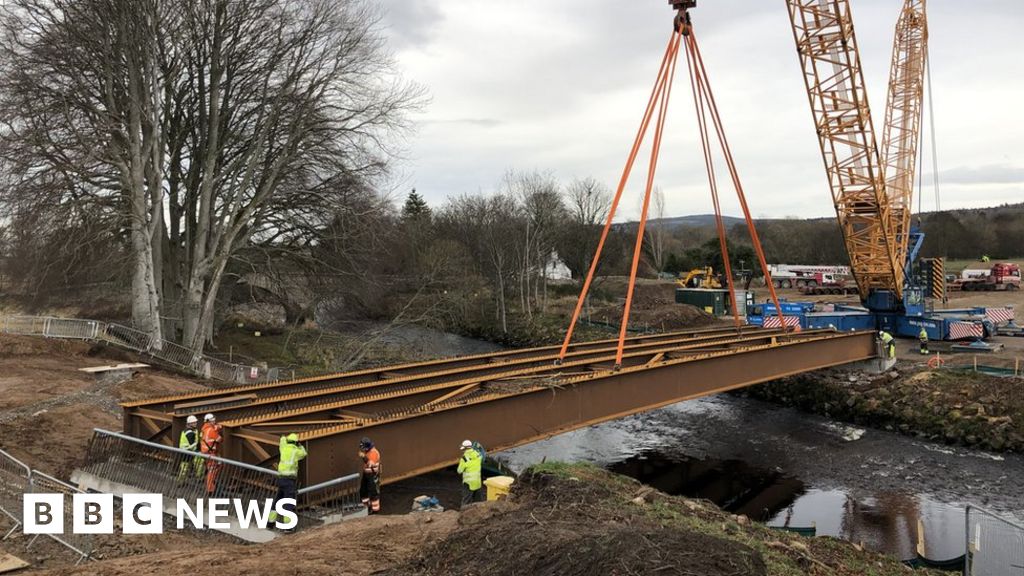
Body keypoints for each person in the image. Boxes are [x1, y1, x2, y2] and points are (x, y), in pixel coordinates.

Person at [269, 433, 307, 529]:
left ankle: (270, 523)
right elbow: (304, 453)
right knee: (288, 503)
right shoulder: (296, 451)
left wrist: (284, 437)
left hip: (281, 479)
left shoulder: (284, 448)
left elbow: (282, 440)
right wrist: (300, 445)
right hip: (289, 480)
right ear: (295, 442)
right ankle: (288, 526)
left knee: (277, 501)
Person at [200, 413, 223, 495]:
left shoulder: (204, 428)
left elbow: (213, 428)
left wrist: (219, 427)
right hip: (210, 453)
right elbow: (219, 439)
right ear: (209, 421)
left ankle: (211, 485)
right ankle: (210, 489)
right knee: (212, 471)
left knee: (211, 469)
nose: (214, 422)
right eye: (213, 421)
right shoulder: (211, 431)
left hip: (205, 452)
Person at [457, 439, 483, 508]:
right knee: (478, 501)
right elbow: (482, 455)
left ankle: (463, 514)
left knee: (466, 501)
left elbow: (459, 471)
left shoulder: (464, 458)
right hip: (477, 482)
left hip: (468, 483)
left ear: (464, 448)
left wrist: (465, 466)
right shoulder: (478, 455)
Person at [177, 415, 203, 482]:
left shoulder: (190, 431)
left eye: (195, 422)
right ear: (189, 424)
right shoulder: (190, 433)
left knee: (185, 468)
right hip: (187, 452)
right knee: (186, 468)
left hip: (187, 452)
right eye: (194, 423)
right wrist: (199, 451)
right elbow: (193, 444)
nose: (196, 424)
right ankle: (198, 478)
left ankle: (181, 481)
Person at [358, 437, 381, 514]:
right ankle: (366, 507)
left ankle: (375, 511)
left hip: (372, 475)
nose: (363, 449)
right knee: (363, 490)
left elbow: (371, 464)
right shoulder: (368, 452)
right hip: (367, 474)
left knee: (373, 492)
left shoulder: (373, 453)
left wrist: (364, 457)